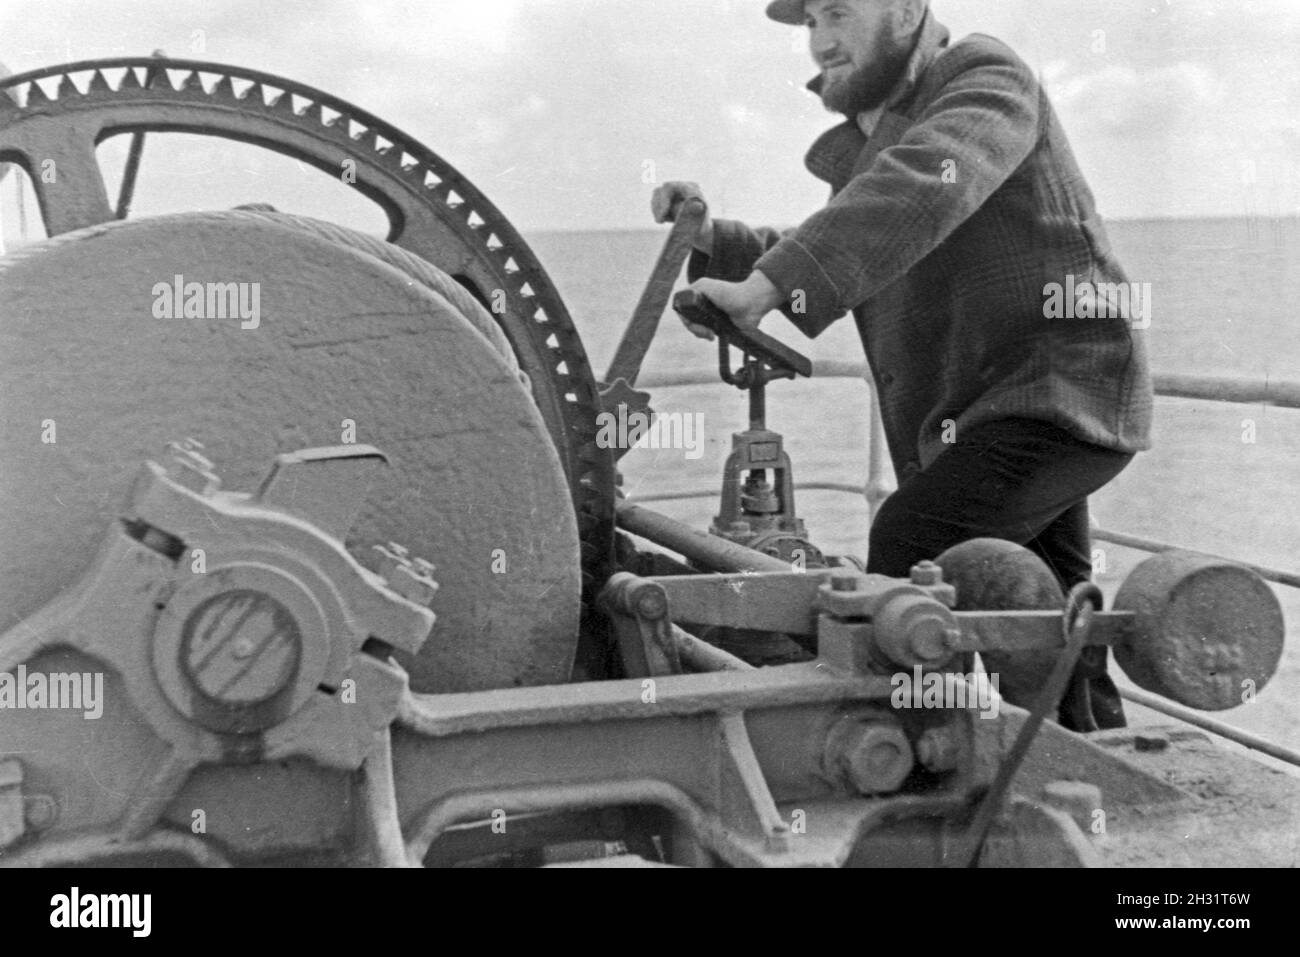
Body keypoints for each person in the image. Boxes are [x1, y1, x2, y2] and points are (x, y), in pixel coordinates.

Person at [651, 0, 1153, 731]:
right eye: (810, 23)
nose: (820, 41)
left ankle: (919, 753)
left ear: (906, 8)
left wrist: (763, 286)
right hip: (994, 410)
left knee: (911, 544)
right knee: (1052, 610)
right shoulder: (885, 142)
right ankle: (1095, 755)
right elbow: (856, 225)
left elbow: (916, 192)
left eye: (838, 14)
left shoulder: (987, 77)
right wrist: (714, 241)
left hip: (1062, 395)